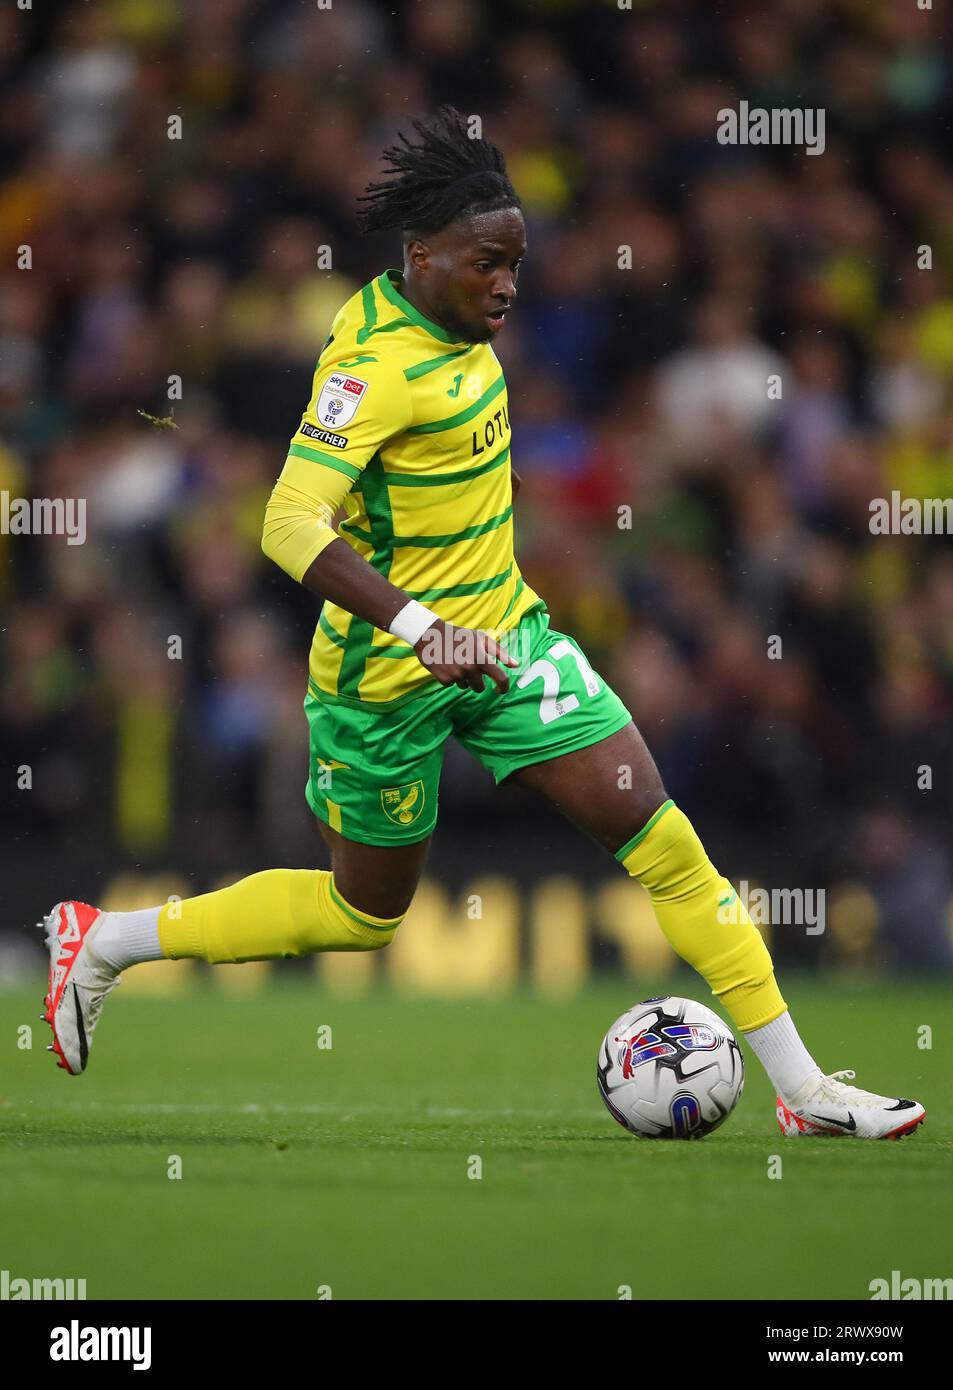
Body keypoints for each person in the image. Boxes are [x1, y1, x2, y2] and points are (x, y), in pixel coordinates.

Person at [41, 107, 923, 1140]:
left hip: (506, 643)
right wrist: (420, 628)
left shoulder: (459, 327)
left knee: (664, 841)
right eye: (484, 264)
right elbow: (283, 522)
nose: (505, 284)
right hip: (386, 675)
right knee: (362, 914)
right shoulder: (371, 368)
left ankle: (803, 1090)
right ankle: (104, 941)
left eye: (514, 263)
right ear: (420, 255)